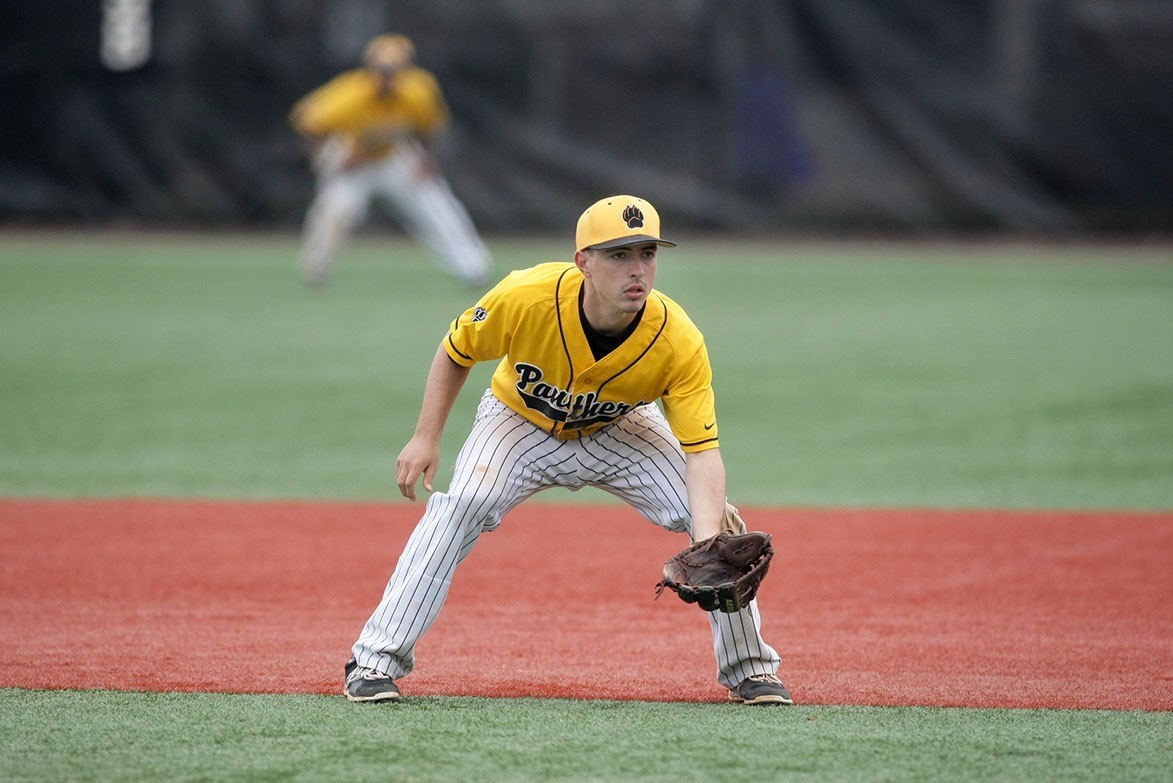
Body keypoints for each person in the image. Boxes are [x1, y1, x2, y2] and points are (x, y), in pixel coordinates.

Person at [344, 195, 792, 706]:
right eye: (618, 255)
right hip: (518, 423)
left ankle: (751, 670)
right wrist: (425, 436)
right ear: (584, 262)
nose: (637, 270)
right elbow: (457, 349)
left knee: (716, 527)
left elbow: (702, 449)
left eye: (646, 254)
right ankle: (374, 661)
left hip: (621, 431)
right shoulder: (527, 296)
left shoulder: (677, 339)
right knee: (461, 505)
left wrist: (708, 539)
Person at [289, 34, 491, 287]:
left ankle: (473, 268)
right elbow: (307, 124)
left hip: (395, 156)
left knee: (438, 205)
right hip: (353, 157)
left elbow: (428, 128)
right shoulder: (349, 92)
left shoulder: (420, 89)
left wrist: (426, 160)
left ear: (406, 69)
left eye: (394, 70)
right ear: (370, 69)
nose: (387, 76)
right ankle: (315, 271)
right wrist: (327, 158)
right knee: (336, 210)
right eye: (381, 70)